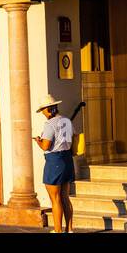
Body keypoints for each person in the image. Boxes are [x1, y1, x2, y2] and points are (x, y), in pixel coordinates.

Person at [34, 95, 76, 233]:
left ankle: (57, 231)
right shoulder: (67, 121)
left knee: (55, 199)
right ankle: (69, 229)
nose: (43, 114)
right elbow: (73, 138)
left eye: (43, 110)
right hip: (67, 159)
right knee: (65, 197)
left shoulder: (50, 124)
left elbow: (46, 146)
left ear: (49, 109)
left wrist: (38, 141)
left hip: (54, 160)